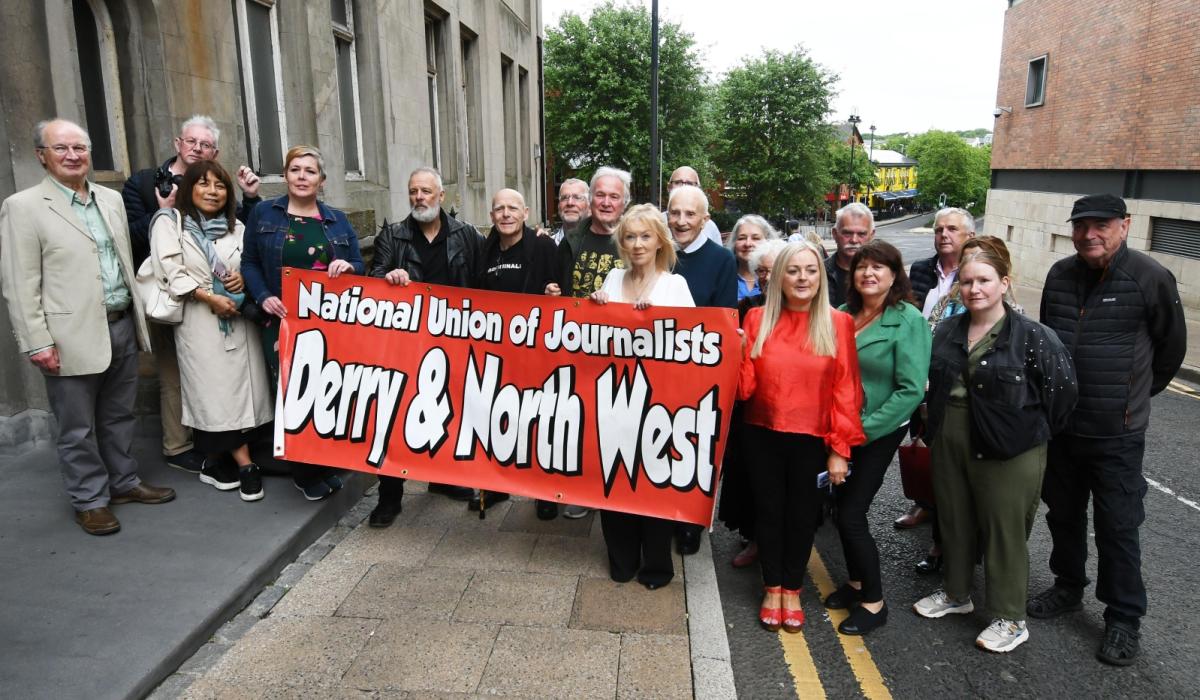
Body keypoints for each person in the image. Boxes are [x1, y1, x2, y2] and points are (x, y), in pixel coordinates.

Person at [1030, 194, 1186, 665]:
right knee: (1063, 513)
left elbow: (1170, 351)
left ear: (1125, 226)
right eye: (1081, 226)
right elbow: (1047, 346)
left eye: (1101, 225)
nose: (1088, 234)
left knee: (1118, 526)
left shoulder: (1150, 277)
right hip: (1063, 430)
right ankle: (1068, 586)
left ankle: (1123, 617)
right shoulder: (1059, 275)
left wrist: (1131, 399)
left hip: (1117, 434)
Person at [0, 119, 174, 535]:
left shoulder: (110, 200)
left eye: (80, 147)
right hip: (67, 336)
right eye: (61, 149)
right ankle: (89, 500)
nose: (73, 156)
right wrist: (37, 342)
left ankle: (124, 482)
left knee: (118, 415)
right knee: (77, 426)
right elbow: (19, 284)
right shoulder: (23, 207)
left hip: (120, 327)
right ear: (42, 155)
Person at [913, 244, 1077, 654]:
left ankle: (1010, 617)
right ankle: (956, 594)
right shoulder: (948, 330)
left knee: (1004, 530)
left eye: (984, 280)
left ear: (1004, 283)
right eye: (966, 282)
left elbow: (1062, 398)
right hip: (950, 433)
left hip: (1011, 446)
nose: (974, 289)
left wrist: (1025, 433)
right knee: (954, 517)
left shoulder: (1035, 336)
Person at [122, 115, 262, 475]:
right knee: (178, 378)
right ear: (177, 143)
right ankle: (180, 447)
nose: (197, 149)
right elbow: (132, 237)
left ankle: (229, 448)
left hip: (227, 311)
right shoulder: (143, 185)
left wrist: (243, 282)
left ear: (215, 151)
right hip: (174, 304)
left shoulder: (227, 209)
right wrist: (164, 210)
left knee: (223, 380)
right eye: (191, 142)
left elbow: (247, 245)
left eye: (206, 145)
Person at [738, 240, 864, 632]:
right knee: (770, 515)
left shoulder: (838, 323)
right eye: (793, 270)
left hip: (812, 438)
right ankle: (772, 586)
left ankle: (792, 589)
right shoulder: (757, 319)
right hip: (762, 434)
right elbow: (743, 390)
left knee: (802, 517)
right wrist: (736, 352)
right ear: (779, 277)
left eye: (810, 270)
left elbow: (846, 390)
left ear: (821, 276)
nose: (802, 277)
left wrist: (839, 450)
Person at [241, 145, 363, 502]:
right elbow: (249, 262)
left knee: (324, 392)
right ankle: (304, 471)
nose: (302, 177)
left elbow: (358, 261)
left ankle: (322, 463)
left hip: (329, 325)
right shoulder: (265, 213)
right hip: (281, 322)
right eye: (295, 169)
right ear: (286, 174)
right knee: (293, 395)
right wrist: (263, 295)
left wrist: (350, 268)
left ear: (321, 181)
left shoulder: (337, 220)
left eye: (310, 171)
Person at [821, 240, 930, 635]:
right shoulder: (841, 314)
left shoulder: (908, 320)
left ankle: (875, 601)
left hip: (876, 431)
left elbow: (910, 390)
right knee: (839, 506)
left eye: (879, 268)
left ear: (894, 275)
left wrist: (856, 435)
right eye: (862, 267)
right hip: (837, 427)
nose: (869, 273)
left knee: (852, 514)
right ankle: (854, 583)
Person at [149, 160, 273, 502]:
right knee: (214, 395)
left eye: (219, 186)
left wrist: (243, 278)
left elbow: (253, 262)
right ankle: (246, 465)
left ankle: (217, 461)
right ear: (189, 188)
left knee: (242, 394)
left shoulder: (238, 228)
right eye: (204, 184)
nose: (212, 191)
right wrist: (209, 297)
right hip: (200, 321)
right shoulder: (170, 223)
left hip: (238, 321)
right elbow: (170, 271)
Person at [366, 166, 484, 526]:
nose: (419, 197)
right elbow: (374, 277)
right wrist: (388, 277)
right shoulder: (394, 234)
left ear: (441, 196)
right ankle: (390, 495)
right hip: (405, 341)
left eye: (426, 191)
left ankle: (444, 478)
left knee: (450, 410)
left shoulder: (466, 235)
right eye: (413, 191)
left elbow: (483, 282)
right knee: (395, 413)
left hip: (454, 338)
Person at [589, 203, 694, 589]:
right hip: (614, 398)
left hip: (660, 402)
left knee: (653, 484)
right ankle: (622, 558)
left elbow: (693, 346)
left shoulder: (674, 286)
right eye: (630, 236)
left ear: (659, 242)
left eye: (645, 236)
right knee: (613, 477)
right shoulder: (612, 281)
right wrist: (596, 306)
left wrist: (661, 322)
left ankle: (655, 565)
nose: (637, 244)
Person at [474, 188, 564, 518]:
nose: (506, 214)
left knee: (539, 422)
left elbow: (561, 291)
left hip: (538, 352)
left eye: (513, 208)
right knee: (497, 419)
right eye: (499, 209)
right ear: (492, 216)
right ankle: (495, 486)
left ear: (526, 213)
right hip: (496, 353)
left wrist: (554, 292)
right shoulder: (485, 248)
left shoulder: (542, 245)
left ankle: (545, 493)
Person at [665, 184, 737, 554]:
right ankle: (662, 512)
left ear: (705, 219)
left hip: (697, 373)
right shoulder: (655, 252)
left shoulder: (721, 260)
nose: (681, 221)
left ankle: (690, 521)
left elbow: (723, 321)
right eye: (674, 213)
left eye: (690, 214)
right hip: (657, 374)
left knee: (694, 450)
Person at [896, 207, 976, 531]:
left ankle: (953, 520)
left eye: (952, 229)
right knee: (922, 436)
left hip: (958, 373)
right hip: (921, 367)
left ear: (969, 236)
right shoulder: (921, 269)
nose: (943, 234)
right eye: (939, 229)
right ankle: (924, 504)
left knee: (953, 449)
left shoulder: (976, 272)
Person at [558, 166, 631, 519]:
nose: (605, 202)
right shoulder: (571, 238)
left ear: (624, 202)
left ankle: (618, 490)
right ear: (590, 200)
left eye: (613, 196)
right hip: (578, 347)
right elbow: (557, 282)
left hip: (625, 350)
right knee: (582, 419)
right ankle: (583, 490)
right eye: (599, 195)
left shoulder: (637, 237)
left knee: (618, 422)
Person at [717, 237, 788, 568]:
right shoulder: (748, 309)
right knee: (752, 480)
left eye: (771, 270)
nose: (764, 277)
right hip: (751, 408)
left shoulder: (807, 309)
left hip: (792, 413)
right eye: (760, 270)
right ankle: (755, 539)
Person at [826, 203, 876, 308]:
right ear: (835, 234)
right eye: (847, 233)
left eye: (861, 234)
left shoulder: (884, 275)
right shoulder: (817, 272)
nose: (854, 240)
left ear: (871, 235)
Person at [727, 215, 778, 301]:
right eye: (742, 238)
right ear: (734, 243)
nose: (748, 244)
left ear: (769, 241)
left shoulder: (779, 277)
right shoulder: (723, 277)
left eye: (755, 238)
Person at [666, 166, 722, 246]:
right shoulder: (656, 223)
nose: (683, 187)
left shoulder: (710, 227)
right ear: (669, 187)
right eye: (678, 182)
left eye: (689, 183)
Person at [551, 178, 588, 245]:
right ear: (559, 205)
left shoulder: (602, 246)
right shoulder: (546, 247)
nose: (570, 203)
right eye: (564, 198)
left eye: (577, 197)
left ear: (589, 205)